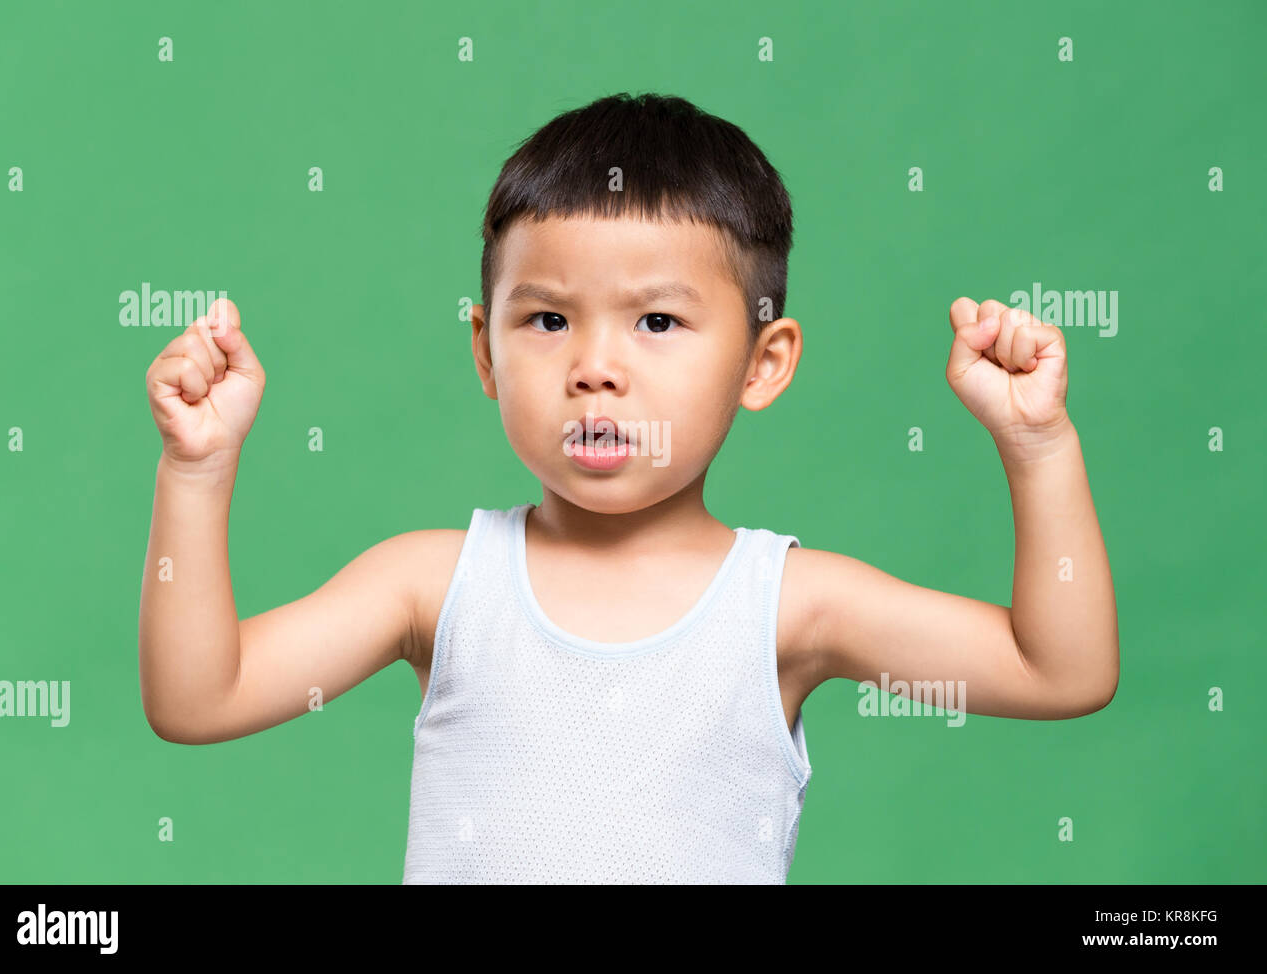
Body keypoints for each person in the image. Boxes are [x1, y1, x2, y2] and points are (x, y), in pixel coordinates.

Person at [138, 92, 1118, 884]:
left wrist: (1038, 446)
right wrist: (196, 467)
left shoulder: (786, 605)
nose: (595, 366)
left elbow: (1058, 670)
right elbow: (198, 695)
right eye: (547, 320)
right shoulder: (432, 584)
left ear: (763, 361)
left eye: (656, 321)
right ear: (483, 350)